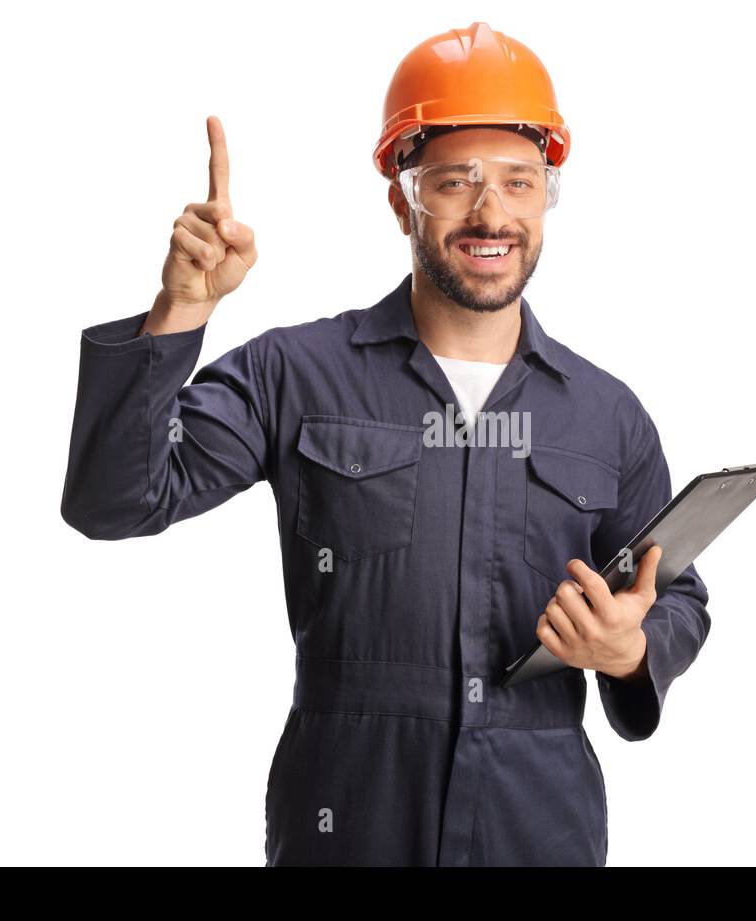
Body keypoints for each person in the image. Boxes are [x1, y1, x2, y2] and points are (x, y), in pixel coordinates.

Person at [60, 21, 711, 866]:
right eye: (455, 182)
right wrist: (180, 310)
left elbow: (680, 598)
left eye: (520, 183)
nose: (492, 214)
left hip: (539, 826)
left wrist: (630, 651)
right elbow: (114, 501)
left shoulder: (606, 413)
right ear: (401, 196)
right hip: (349, 820)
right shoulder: (294, 373)